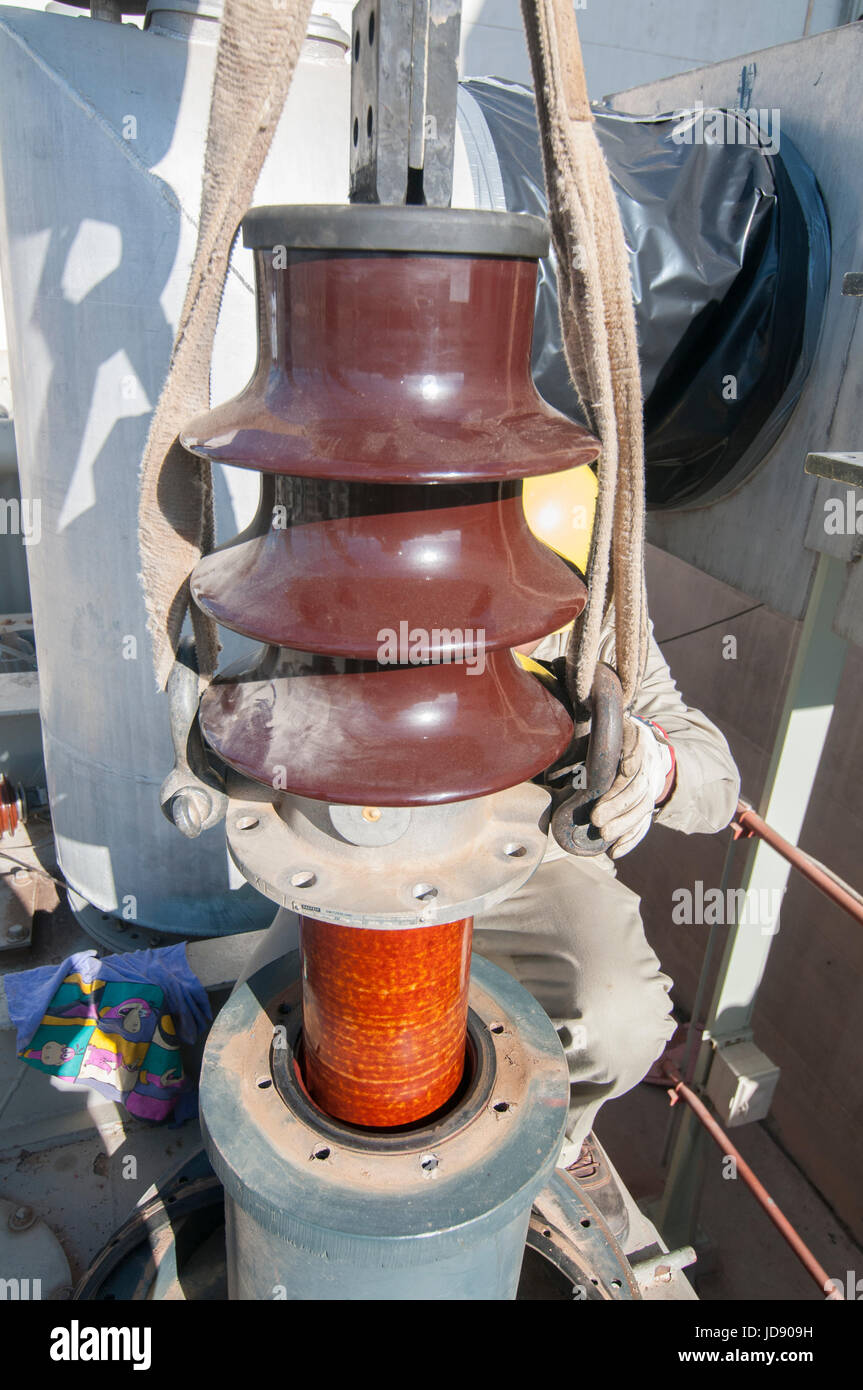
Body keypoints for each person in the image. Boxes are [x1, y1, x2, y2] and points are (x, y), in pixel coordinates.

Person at [474, 607, 740, 1243]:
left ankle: (555, 1140)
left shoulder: (589, 589)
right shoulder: (350, 531)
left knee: (621, 1022)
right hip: (361, 847)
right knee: (282, 1027)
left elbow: (717, 781)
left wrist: (659, 765)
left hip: (524, 839)